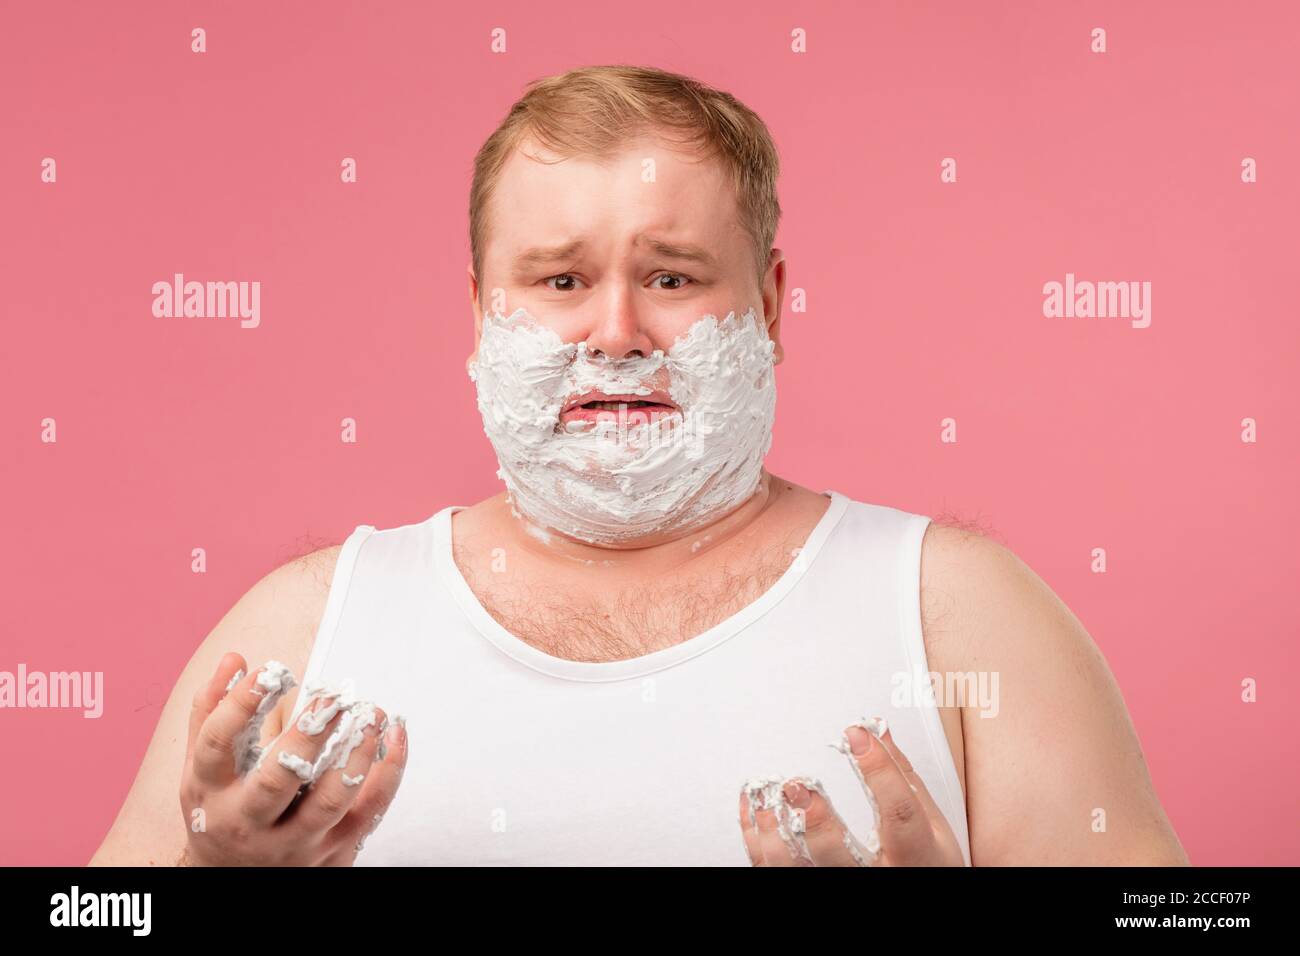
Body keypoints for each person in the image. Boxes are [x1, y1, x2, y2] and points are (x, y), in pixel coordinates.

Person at [91, 64, 1187, 867]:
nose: (613, 332)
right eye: (560, 282)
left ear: (765, 304)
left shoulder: (958, 613)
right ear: (481, 314)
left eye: (669, 278)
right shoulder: (303, 632)